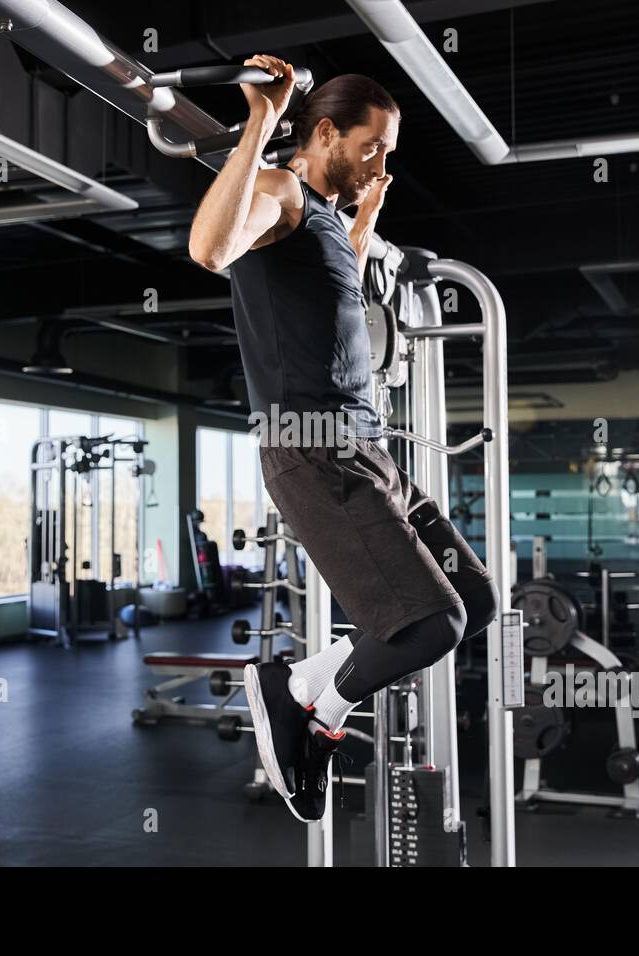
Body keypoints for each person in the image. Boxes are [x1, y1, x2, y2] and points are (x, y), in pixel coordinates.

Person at [189, 56, 498, 823]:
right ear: (324, 131)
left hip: (366, 449)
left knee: (476, 599)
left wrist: (362, 225)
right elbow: (209, 250)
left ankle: (301, 685)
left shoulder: (323, 215)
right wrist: (261, 120)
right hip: (315, 450)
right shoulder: (277, 190)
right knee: (435, 622)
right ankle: (318, 710)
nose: (382, 162)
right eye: (373, 147)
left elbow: (331, 295)